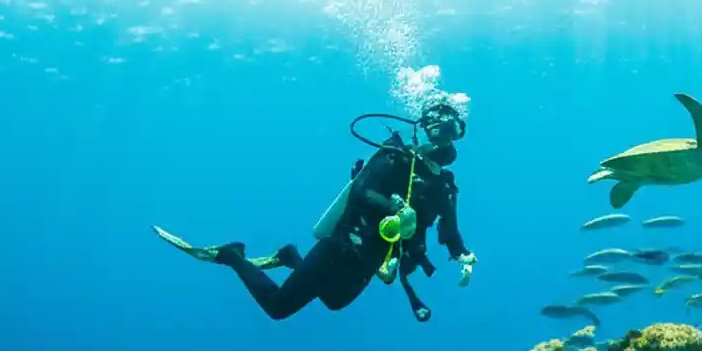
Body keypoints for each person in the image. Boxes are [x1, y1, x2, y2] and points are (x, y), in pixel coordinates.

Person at [155, 103, 476, 322]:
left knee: (334, 303)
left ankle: (291, 256)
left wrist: (462, 256)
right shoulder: (395, 158)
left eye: (452, 131)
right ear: (426, 127)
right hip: (344, 244)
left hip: (372, 261)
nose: (444, 138)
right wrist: (394, 205)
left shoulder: (443, 185)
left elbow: (449, 229)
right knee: (279, 308)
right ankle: (232, 254)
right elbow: (363, 190)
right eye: (440, 128)